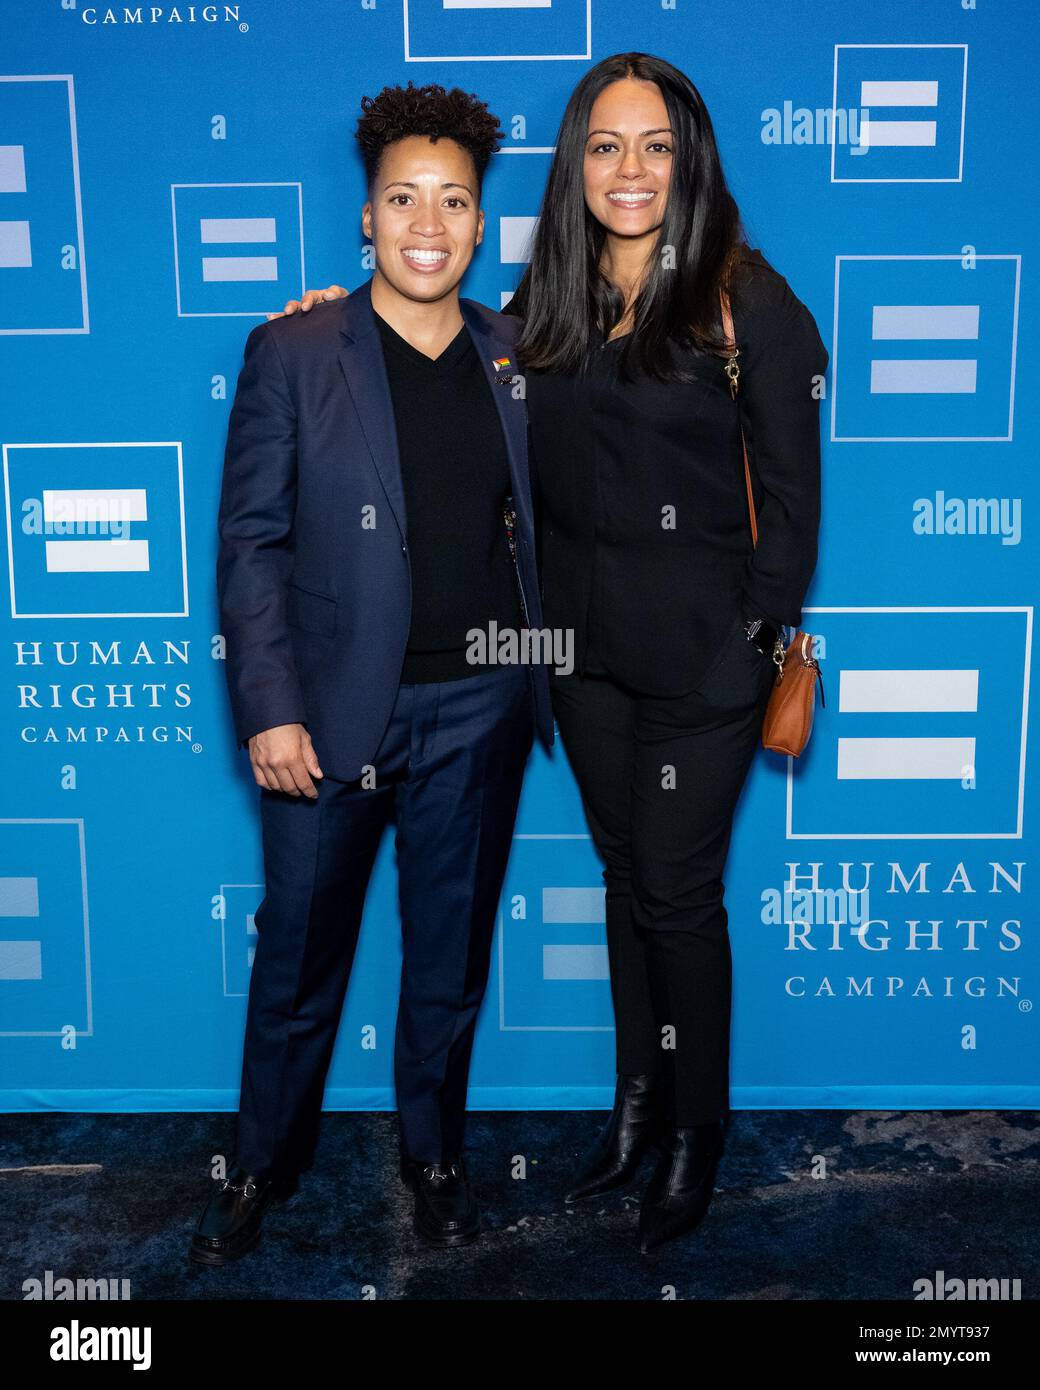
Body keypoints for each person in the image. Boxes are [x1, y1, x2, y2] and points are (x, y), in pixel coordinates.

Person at [286, 51, 827, 1254]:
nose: (627, 170)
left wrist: (748, 640)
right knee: (626, 882)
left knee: (679, 900)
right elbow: (430, 346)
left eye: (653, 147)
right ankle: (634, 1113)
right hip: (577, 659)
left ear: (688, 162)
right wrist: (318, 322)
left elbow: (791, 507)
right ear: (573, 162)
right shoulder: (552, 302)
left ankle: (695, 1136)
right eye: (602, 145)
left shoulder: (750, 302)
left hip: (700, 670)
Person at [192, 82, 553, 1267]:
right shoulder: (292, 348)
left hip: (479, 703)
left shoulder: (518, 355)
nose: (428, 222)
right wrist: (270, 708)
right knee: (297, 953)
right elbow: (250, 541)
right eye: (403, 197)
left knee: (447, 954)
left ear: (481, 223)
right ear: (365, 217)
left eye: (453, 199)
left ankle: (434, 1153)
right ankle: (259, 1163)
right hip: (329, 712)